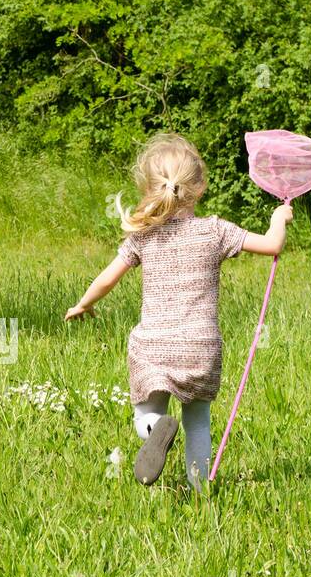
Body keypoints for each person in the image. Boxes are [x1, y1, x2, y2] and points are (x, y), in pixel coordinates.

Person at [65, 132, 292, 487]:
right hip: (199, 348)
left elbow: (108, 279)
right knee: (198, 422)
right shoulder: (214, 231)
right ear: (199, 187)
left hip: (154, 345)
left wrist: (83, 303)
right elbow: (272, 243)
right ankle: (199, 490)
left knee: (146, 414)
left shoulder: (143, 236)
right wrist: (280, 216)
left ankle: (156, 428)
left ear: (150, 188)